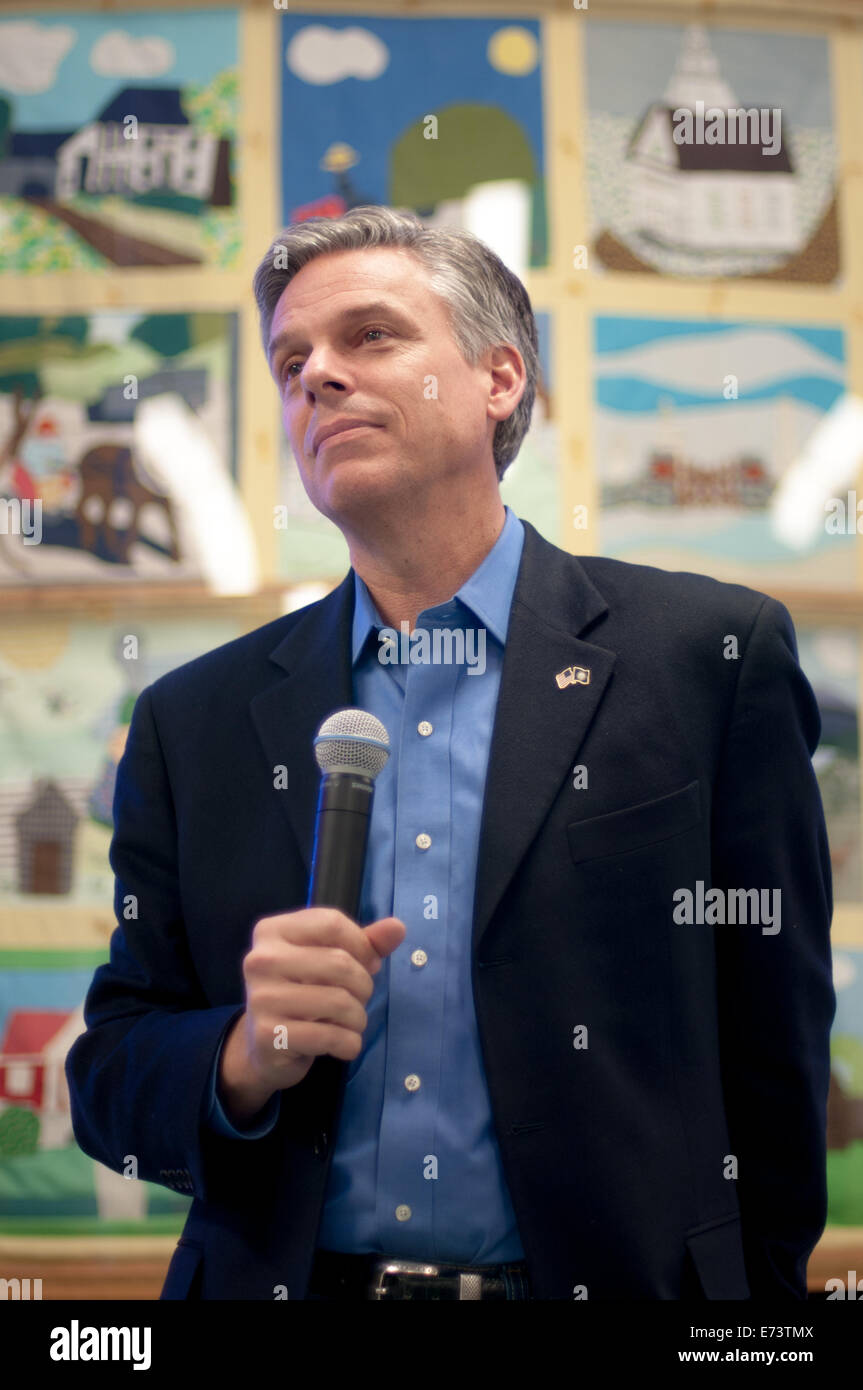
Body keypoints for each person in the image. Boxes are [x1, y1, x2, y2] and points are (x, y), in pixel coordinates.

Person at [66, 206, 835, 1302]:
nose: (316, 377)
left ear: (498, 379)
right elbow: (110, 1075)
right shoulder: (194, 720)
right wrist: (242, 1055)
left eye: (369, 337)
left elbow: (777, 1047)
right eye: (292, 361)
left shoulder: (705, 659)